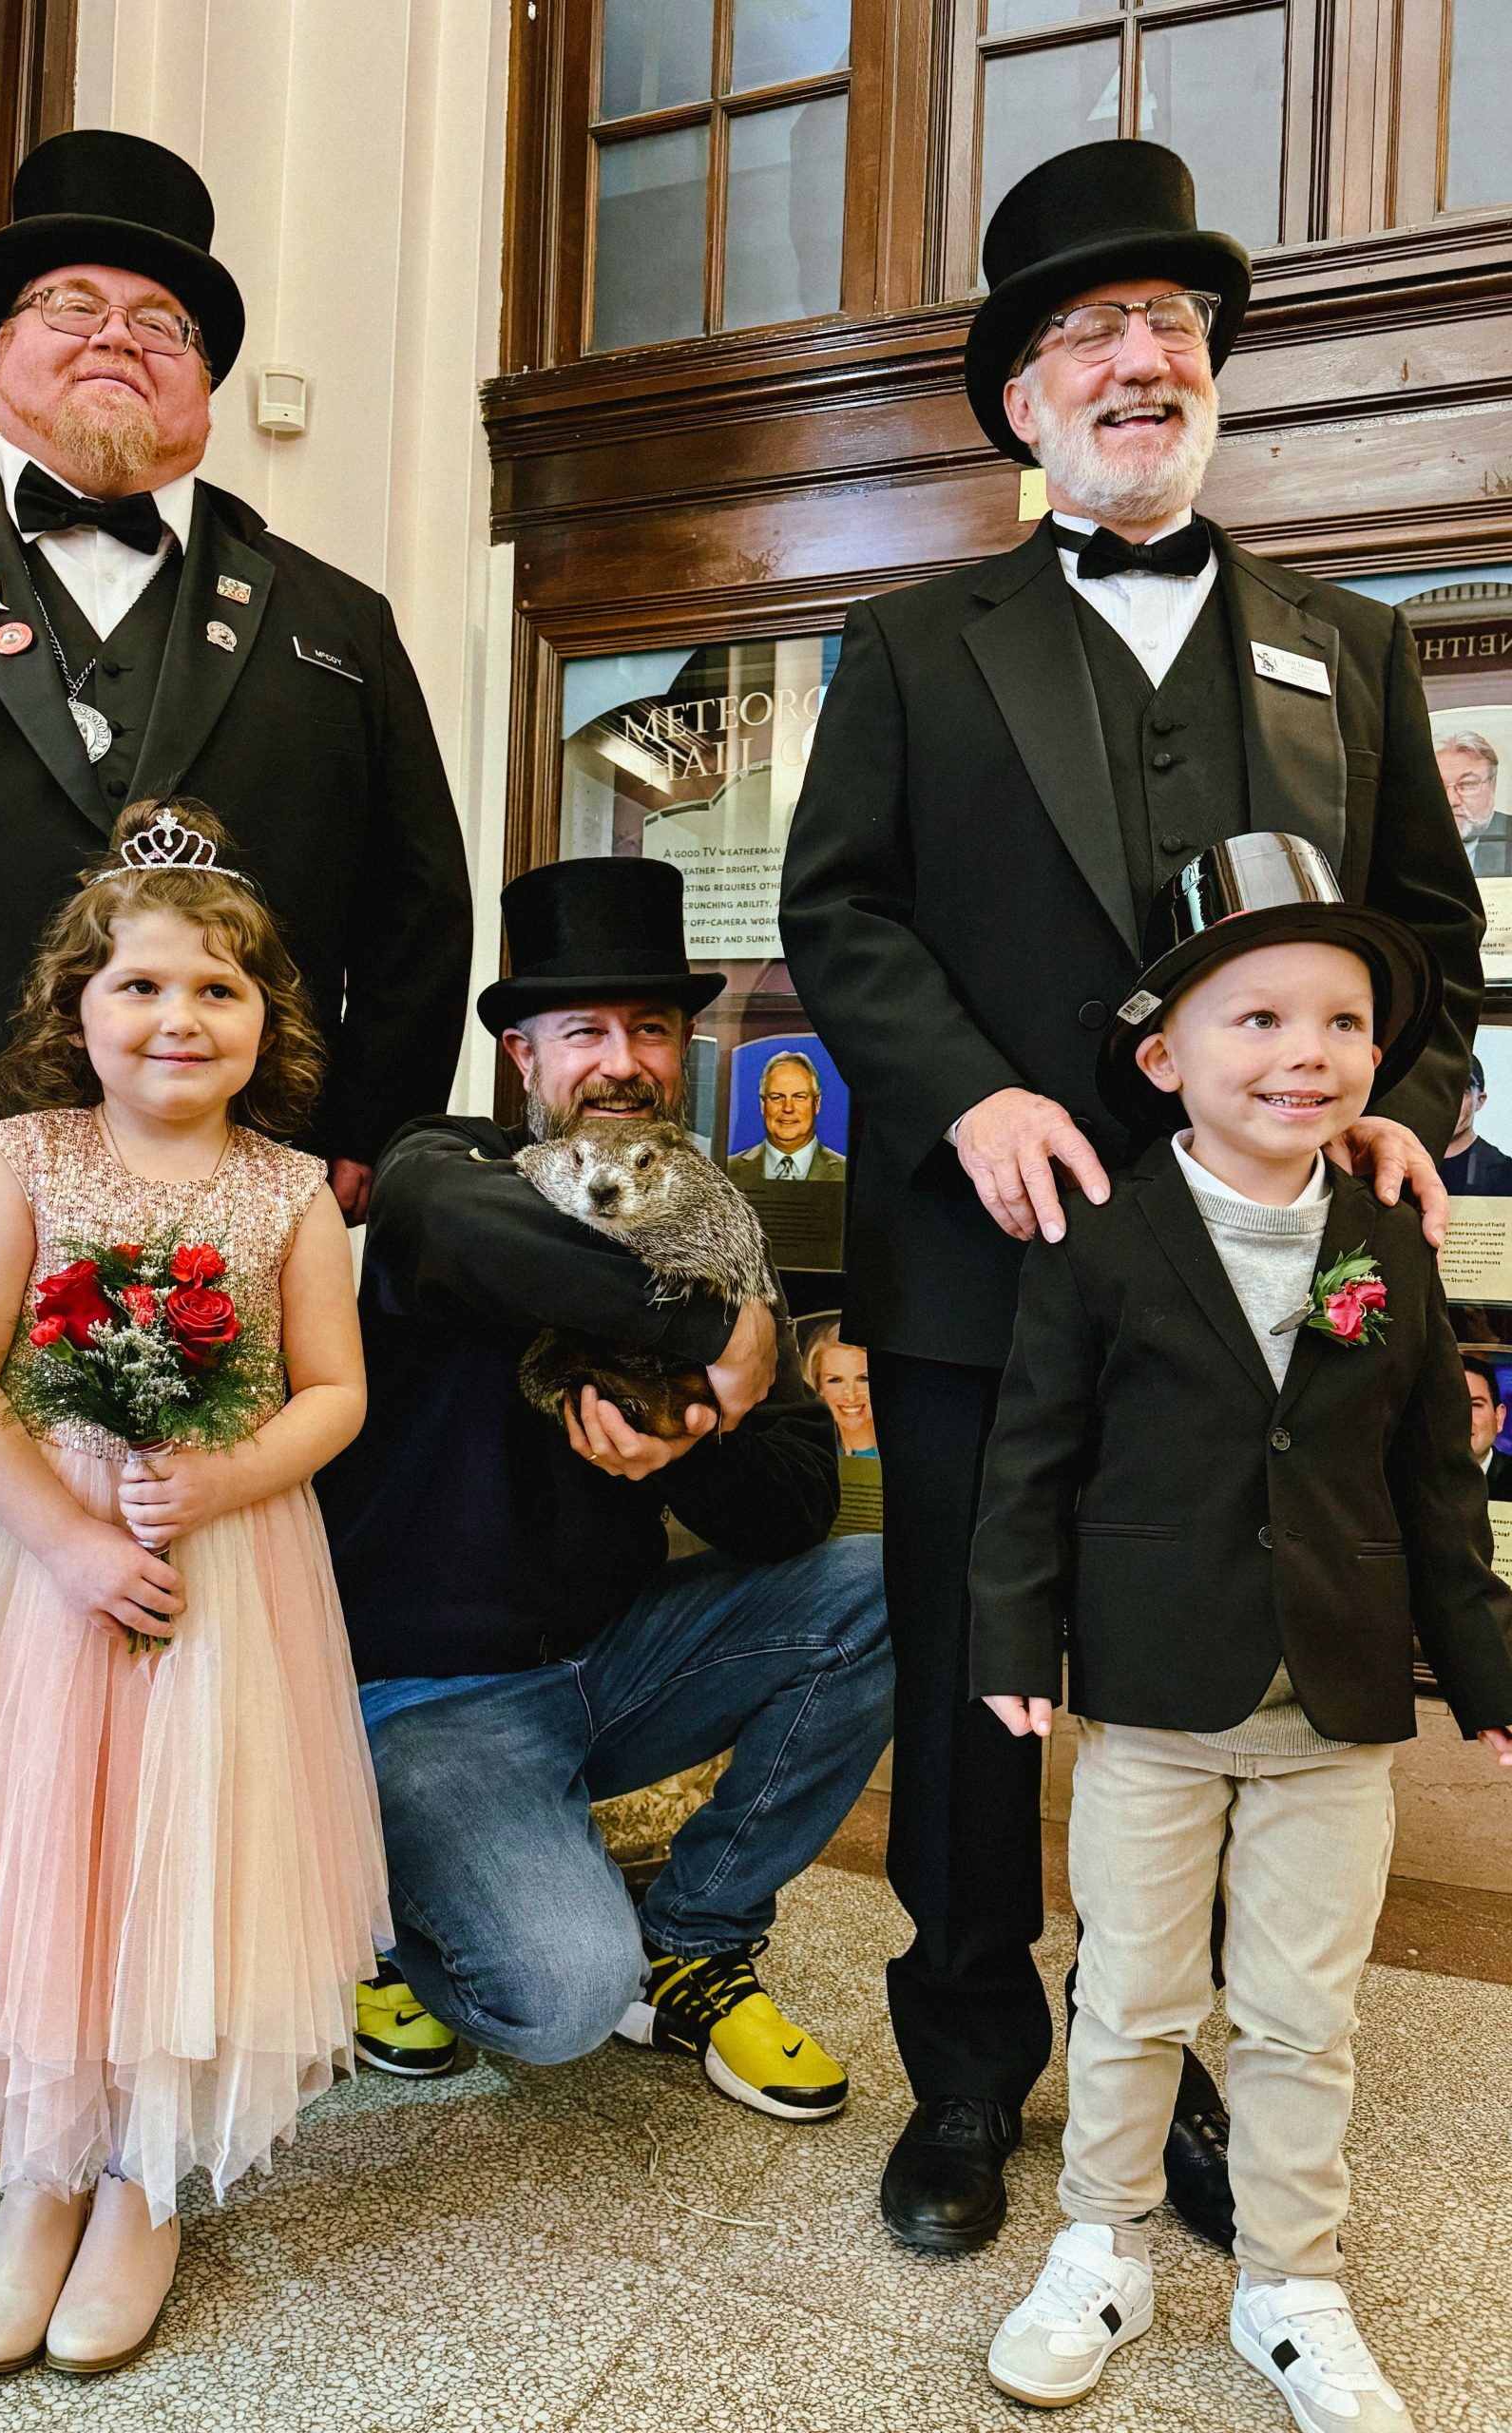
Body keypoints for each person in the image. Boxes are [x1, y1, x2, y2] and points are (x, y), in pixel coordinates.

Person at [0, 128, 469, 2167]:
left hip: (218, 1231)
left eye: (162, 320)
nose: (117, 340)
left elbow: (420, 907)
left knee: (178, 1619)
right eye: (70, 309)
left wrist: (362, 1145)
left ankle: (142, 2020)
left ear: (206, 386)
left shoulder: (333, 616)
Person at [780, 138, 1482, 2256]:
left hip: (1255, 1299)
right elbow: (840, 911)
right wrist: (971, 1094)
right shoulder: (907, 643)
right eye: (1091, 332)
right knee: (972, 1687)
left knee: (1221, 1689)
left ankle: (1173, 2069)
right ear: (1022, 403)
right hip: (985, 1269)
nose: (1139, 357)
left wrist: (1408, 1106)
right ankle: (971, 2078)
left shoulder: (1346, 647)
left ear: (1212, 375)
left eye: (1172, 325)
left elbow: (1432, 949)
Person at [0, 799, 389, 2378]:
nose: (179, 1019)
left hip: (225, 1573)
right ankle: (39, 2175)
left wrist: (227, 1478)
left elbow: (332, 1394)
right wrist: (72, 1538)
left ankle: (140, 2178)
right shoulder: (23, 1158)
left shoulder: (293, 1193)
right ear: (76, 1014)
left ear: (267, 1023)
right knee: (45, 1848)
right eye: (141, 987)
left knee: (183, 1853)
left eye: (218, 993)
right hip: (27, 1561)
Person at [968, 833, 1512, 2428]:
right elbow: (1030, 1459)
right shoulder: (1100, 1238)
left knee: (1302, 2012)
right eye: (1256, 1019)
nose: (1305, 1055)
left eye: (1341, 1022)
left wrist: (1484, 1670)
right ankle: (1103, 2243)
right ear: (1166, 1054)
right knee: (1133, 1992)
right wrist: (1015, 1644)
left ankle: (1292, 2278)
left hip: (1333, 1715)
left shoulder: (1394, 1240)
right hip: (1151, 1697)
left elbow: (1434, 1479)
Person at [318, 858, 892, 2117]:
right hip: (429, 1701)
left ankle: (695, 1937)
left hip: (611, 1661)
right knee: (560, 2002)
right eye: (584, 1032)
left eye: (650, 1030)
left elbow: (795, 1502)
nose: (621, 1062)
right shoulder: (447, 1164)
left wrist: (696, 1435)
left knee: (879, 1587)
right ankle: (350, 1929)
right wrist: (706, 1341)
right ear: (523, 1057)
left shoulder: (709, 1216)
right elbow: (447, 1230)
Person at [726, 1050, 847, 1184]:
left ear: (817, 1104)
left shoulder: (845, 1171)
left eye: (799, 1097)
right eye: (777, 1097)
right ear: (762, 1105)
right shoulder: (727, 1170)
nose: (788, 1108)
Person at [1436, 731, 1511, 875]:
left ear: (1493, 785)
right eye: (1438, 786)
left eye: (1468, 784)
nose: (1451, 801)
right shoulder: (1401, 843)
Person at [802, 1317, 877, 1458]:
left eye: (863, 1378)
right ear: (819, 1387)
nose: (851, 1396)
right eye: (835, 1380)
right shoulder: (811, 1459)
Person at [1441, 1054, 1512, 1196]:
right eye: (1441, 1090)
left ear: (1480, 1100)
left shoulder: (1503, 1172)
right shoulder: (1402, 1161)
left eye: (1462, 1092)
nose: (1449, 1102)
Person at [1462, 1354, 1512, 1499]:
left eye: (1475, 1405)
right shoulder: (1407, 1482)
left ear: (1499, 1417)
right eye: (1450, 1405)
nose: (1463, 1416)